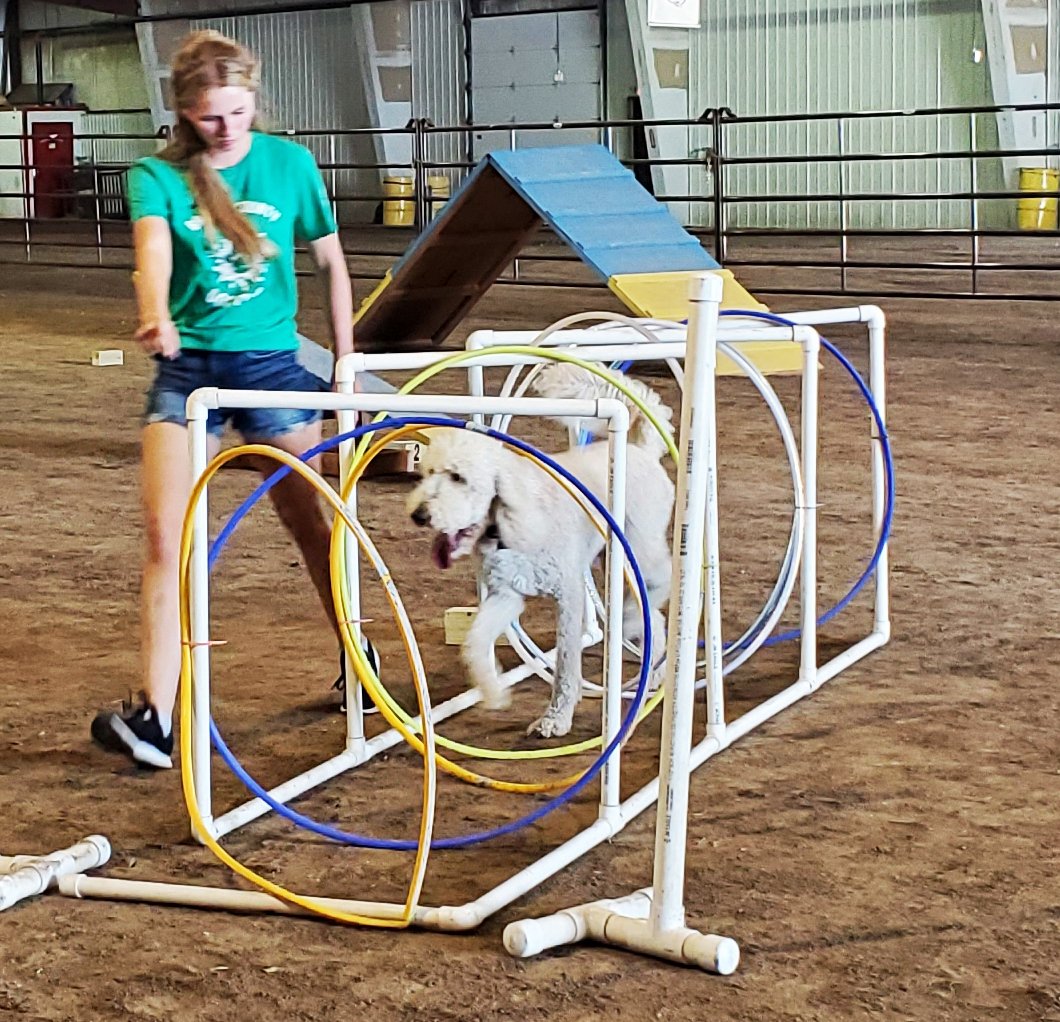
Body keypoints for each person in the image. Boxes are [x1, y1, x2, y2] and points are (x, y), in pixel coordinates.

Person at [91, 30, 374, 769]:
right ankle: (156, 713)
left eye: (238, 113)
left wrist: (346, 364)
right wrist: (155, 310)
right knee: (167, 539)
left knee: (313, 523)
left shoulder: (291, 166)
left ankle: (359, 657)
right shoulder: (155, 176)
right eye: (212, 117)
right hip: (188, 373)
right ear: (186, 112)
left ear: (254, 101)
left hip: (274, 370)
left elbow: (332, 263)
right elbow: (151, 252)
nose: (228, 130)